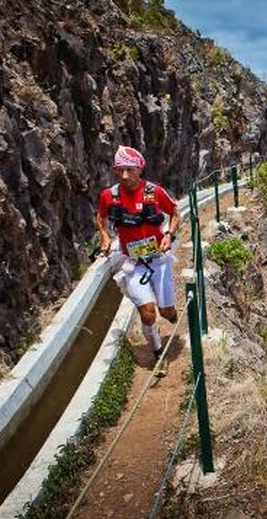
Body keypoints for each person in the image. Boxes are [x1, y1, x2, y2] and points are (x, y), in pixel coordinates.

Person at [96, 145, 181, 361]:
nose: (124, 176)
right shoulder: (109, 196)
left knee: (166, 312)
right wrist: (105, 236)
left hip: (158, 260)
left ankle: (172, 315)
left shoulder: (155, 192)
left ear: (139, 169)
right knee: (147, 311)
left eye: (129, 170)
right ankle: (157, 352)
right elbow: (100, 217)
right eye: (119, 170)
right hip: (132, 263)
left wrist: (168, 235)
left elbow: (174, 212)